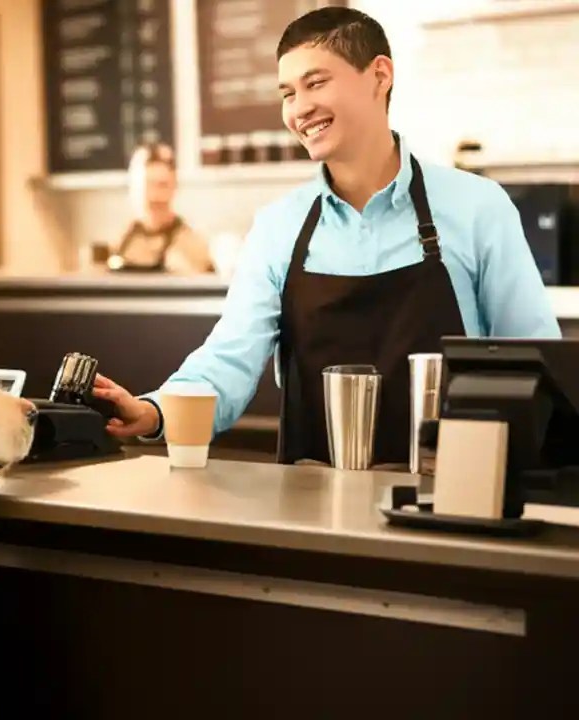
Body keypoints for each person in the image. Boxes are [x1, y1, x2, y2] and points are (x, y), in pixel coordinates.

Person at [94, 7, 560, 465]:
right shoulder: (279, 226)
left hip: (453, 502)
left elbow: (533, 364)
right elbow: (228, 359)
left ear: (380, 75)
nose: (299, 110)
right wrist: (154, 410)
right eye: (287, 93)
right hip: (312, 509)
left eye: (315, 83)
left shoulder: (478, 206)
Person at [111, 142, 214, 274]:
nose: (155, 196)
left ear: (174, 187)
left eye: (162, 185)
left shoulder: (193, 246)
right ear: (132, 189)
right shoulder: (119, 243)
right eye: (147, 185)